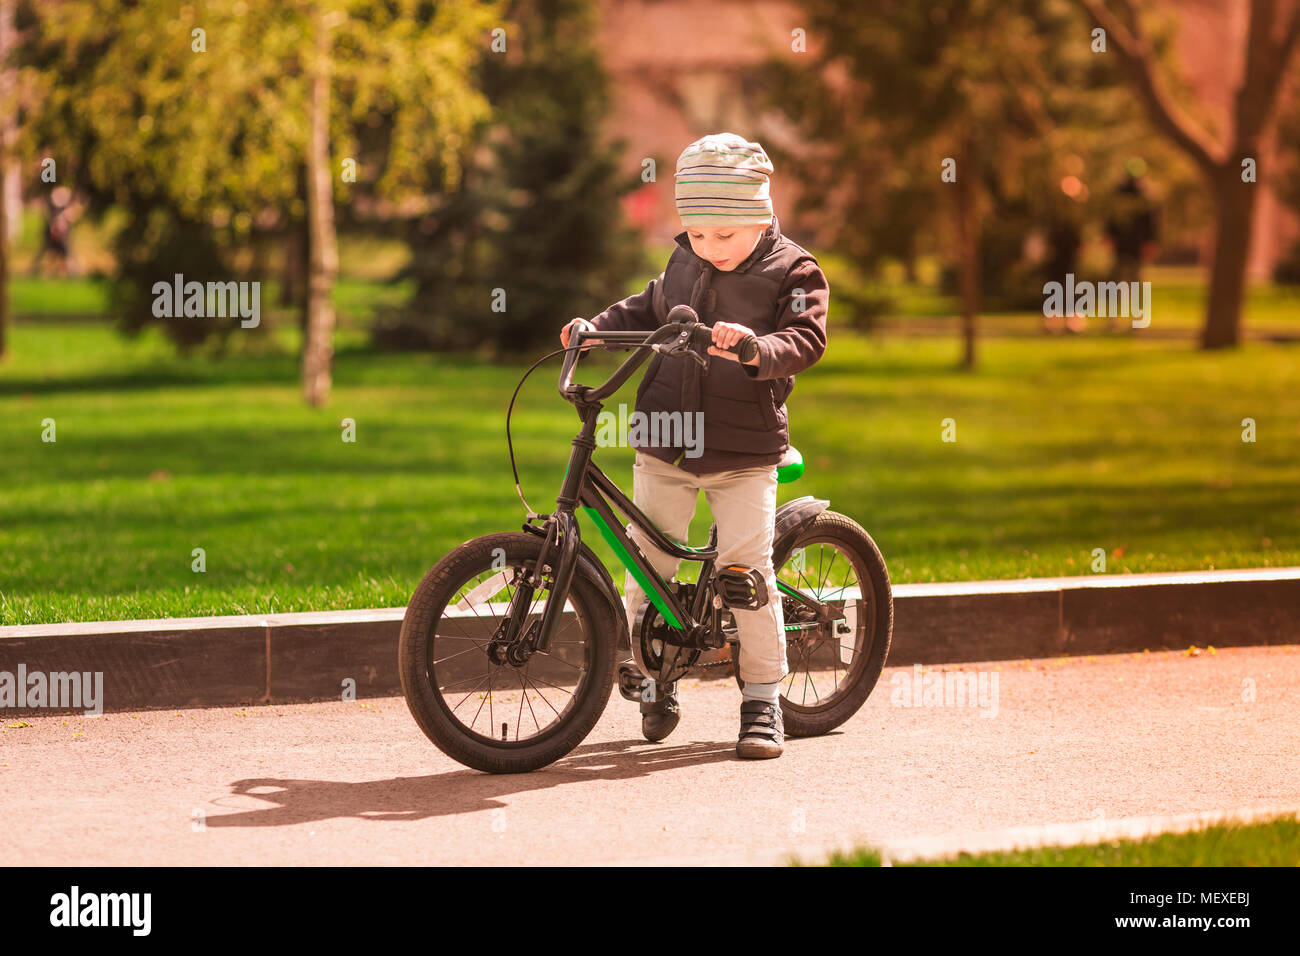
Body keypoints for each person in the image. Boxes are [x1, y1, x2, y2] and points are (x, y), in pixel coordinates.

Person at [559, 132, 828, 759]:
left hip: (742, 449)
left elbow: (806, 338)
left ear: (760, 213)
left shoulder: (793, 269)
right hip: (665, 439)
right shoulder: (685, 262)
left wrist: (758, 348)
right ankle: (655, 673)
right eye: (698, 234)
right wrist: (594, 329)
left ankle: (762, 699)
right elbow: (648, 308)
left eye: (722, 236)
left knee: (743, 575)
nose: (709, 248)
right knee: (647, 561)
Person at [1104, 164, 1160, 333]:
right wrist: (1109, 237)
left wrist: (1150, 243)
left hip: (1137, 247)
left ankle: (1137, 319)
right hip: (1121, 247)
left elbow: (1152, 224)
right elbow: (1110, 219)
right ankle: (1113, 320)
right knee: (1116, 283)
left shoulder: (1147, 196)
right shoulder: (1117, 195)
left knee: (1137, 283)